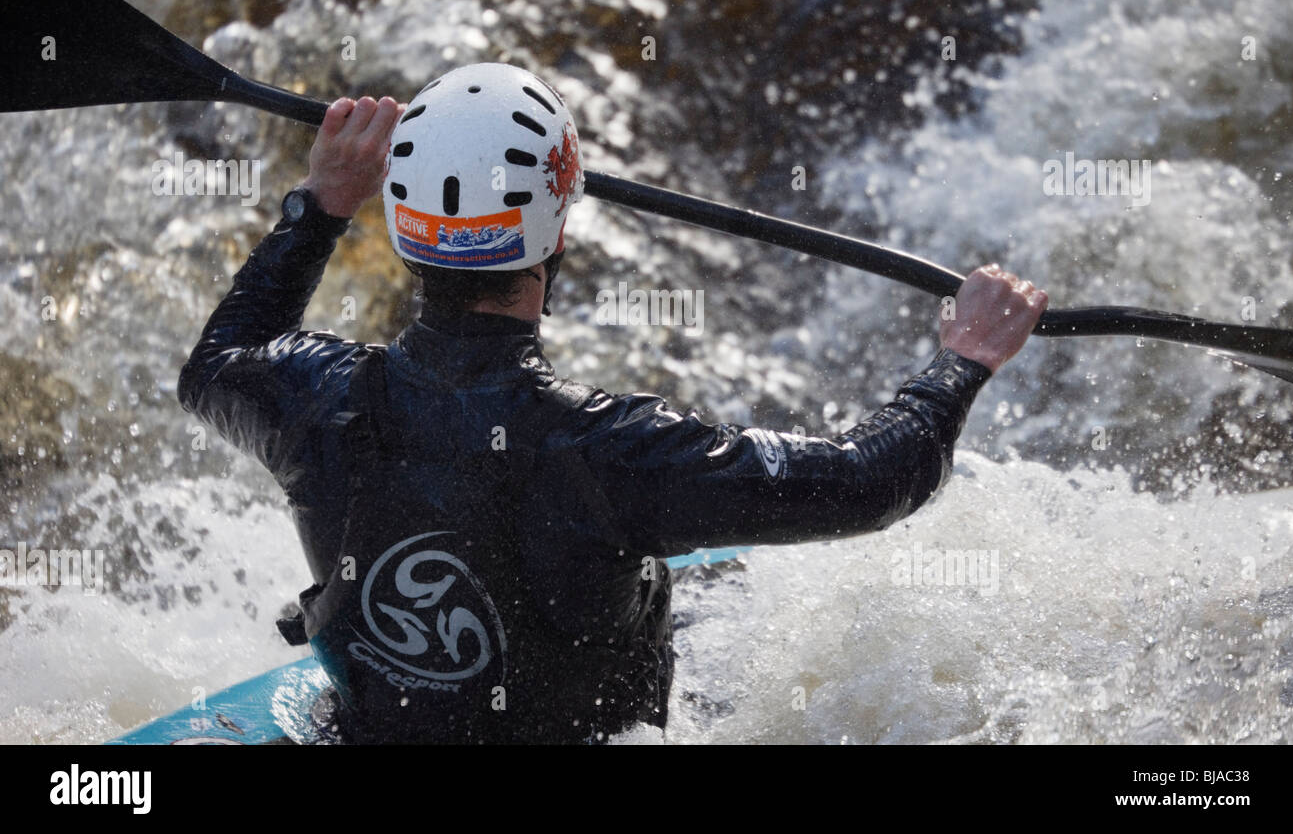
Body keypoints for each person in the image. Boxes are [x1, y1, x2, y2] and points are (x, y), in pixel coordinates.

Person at [178, 62, 1048, 744]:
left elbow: (214, 362)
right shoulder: (620, 451)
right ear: (555, 233)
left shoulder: (307, 397)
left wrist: (320, 205)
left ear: (399, 225)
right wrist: (963, 360)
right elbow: (870, 481)